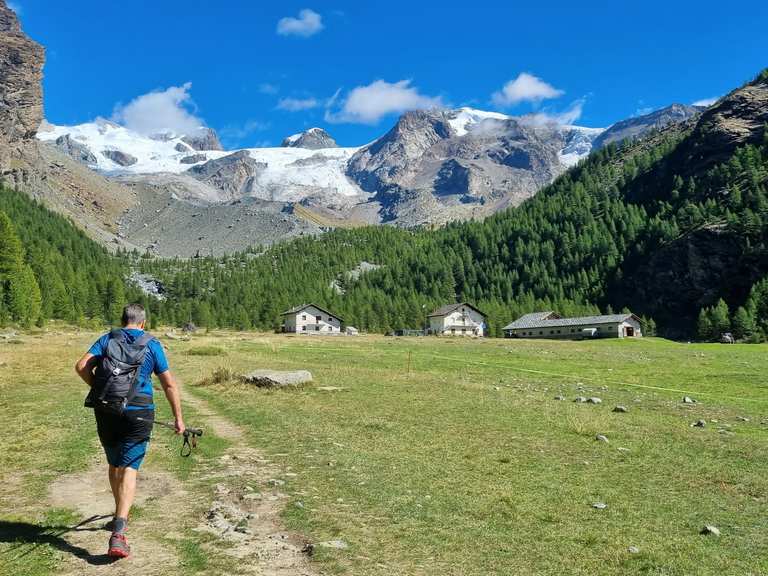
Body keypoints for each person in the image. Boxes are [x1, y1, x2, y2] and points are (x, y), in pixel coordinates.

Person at [75, 303, 185, 559]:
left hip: (106, 410)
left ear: (122, 320)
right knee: (130, 467)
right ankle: (119, 532)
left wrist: (100, 391)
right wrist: (179, 418)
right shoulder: (152, 344)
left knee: (115, 465)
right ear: (143, 323)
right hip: (139, 412)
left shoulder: (107, 339)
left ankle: (119, 515)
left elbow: (81, 366)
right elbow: (168, 384)